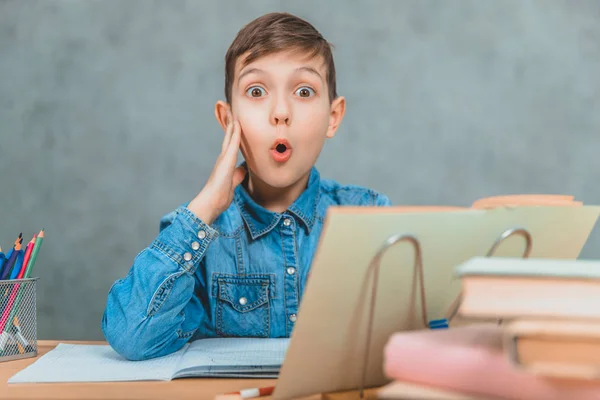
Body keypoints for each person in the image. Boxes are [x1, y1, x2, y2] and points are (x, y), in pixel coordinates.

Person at [101, 11, 392, 361]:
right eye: (256, 91)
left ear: (333, 117)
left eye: (304, 91)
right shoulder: (200, 236)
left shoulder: (369, 216)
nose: (281, 112)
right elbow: (132, 336)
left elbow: (411, 334)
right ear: (228, 120)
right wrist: (205, 206)